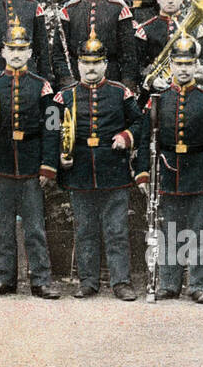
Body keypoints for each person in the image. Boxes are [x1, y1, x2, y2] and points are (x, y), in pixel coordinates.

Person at [45, 28, 146, 300]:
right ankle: (87, 282)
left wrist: (127, 136)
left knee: (116, 230)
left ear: (105, 64)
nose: (90, 69)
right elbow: (51, 132)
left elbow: (140, 122)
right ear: (78, 65)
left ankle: (121, 282)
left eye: (96, 63)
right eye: (85, 63)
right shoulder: (61, 97)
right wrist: (60, 157)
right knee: (85, 229)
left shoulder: (120, 93)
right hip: (79, 170)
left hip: (113, 170)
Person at [0, 19, 61, 299]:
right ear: (3, 53)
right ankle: (4, 278)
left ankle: (41, 280)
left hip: (32, 163)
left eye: (22, 49)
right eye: (11, 49)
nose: (17, 54)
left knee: (34, 227)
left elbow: (52, 128)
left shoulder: (42, 86)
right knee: (3, 226)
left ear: (30, 53)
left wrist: (47, 166)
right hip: (1, 161)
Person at [135, 34, 203, 303]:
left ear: (196, 66)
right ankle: (169, 284)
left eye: (189, 64)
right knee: (168, 232)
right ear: (171, 66)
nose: (183, 69)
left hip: (198, 171)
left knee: (198, 232)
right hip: (167, 170)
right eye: (178, 64)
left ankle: (197, 285)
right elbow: (145, 139)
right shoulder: (158, 99)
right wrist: (144, 172)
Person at [61, 0, 137, 89]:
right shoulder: (69, 12)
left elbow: (128, 55)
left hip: (112, 80)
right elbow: (59, 54)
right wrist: (68, 83)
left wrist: (127, 88)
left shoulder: (119, 11)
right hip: (77, 81)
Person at [133, 0, 188, 101]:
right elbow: (136, 65)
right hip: (155, 95)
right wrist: (151, 80)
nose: (170, 0)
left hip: (187, 92)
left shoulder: (195, 28)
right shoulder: (145, 30)